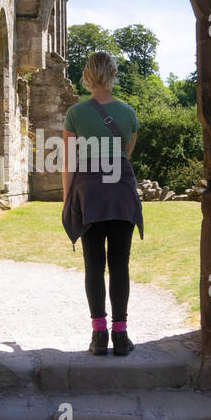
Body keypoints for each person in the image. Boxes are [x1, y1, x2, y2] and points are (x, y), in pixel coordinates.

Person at [61, 51, 143, 356]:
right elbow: (125, 155)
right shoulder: (128, 112)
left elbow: (69, 161)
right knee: (120, 264)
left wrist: (68, 199)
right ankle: (120, 337)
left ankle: (98, 337)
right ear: (113, 74)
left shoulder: (75, 114)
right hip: (120, 192)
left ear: (87, 75)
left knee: (93, 266)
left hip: (89, 193)